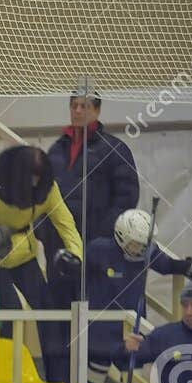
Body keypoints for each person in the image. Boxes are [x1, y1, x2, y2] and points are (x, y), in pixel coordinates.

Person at [0, 143, 81, 383]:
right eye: (31, 177)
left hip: (25, 255)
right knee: (11, 314)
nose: (35, 183)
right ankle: (5, 376)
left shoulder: (48, 189)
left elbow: (66, 225)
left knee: (48, 312)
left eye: (39, 178)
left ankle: (57, 380)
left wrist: (76, 254)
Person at [82, 209, 192, 383]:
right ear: (121, 237)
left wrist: (189, 267)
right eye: (136, 244)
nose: (142, 250)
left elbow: (167, 265)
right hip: (102, 329)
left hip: (133, 327)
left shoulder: (148, 252)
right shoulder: (99, 250)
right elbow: (79, 274)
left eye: (145, 244)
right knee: (93, 382)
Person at [40, 78, 139, 272]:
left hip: (95, 249)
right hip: (57, 247)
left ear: (97, 111)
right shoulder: (56, 150)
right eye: (74, 106)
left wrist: (101, 237)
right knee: (57, 300)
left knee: (91, 300)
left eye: (84, 106)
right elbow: (40, 193)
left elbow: (127, 198)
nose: (77, 111)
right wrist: (43, 231)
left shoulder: (114, 149)